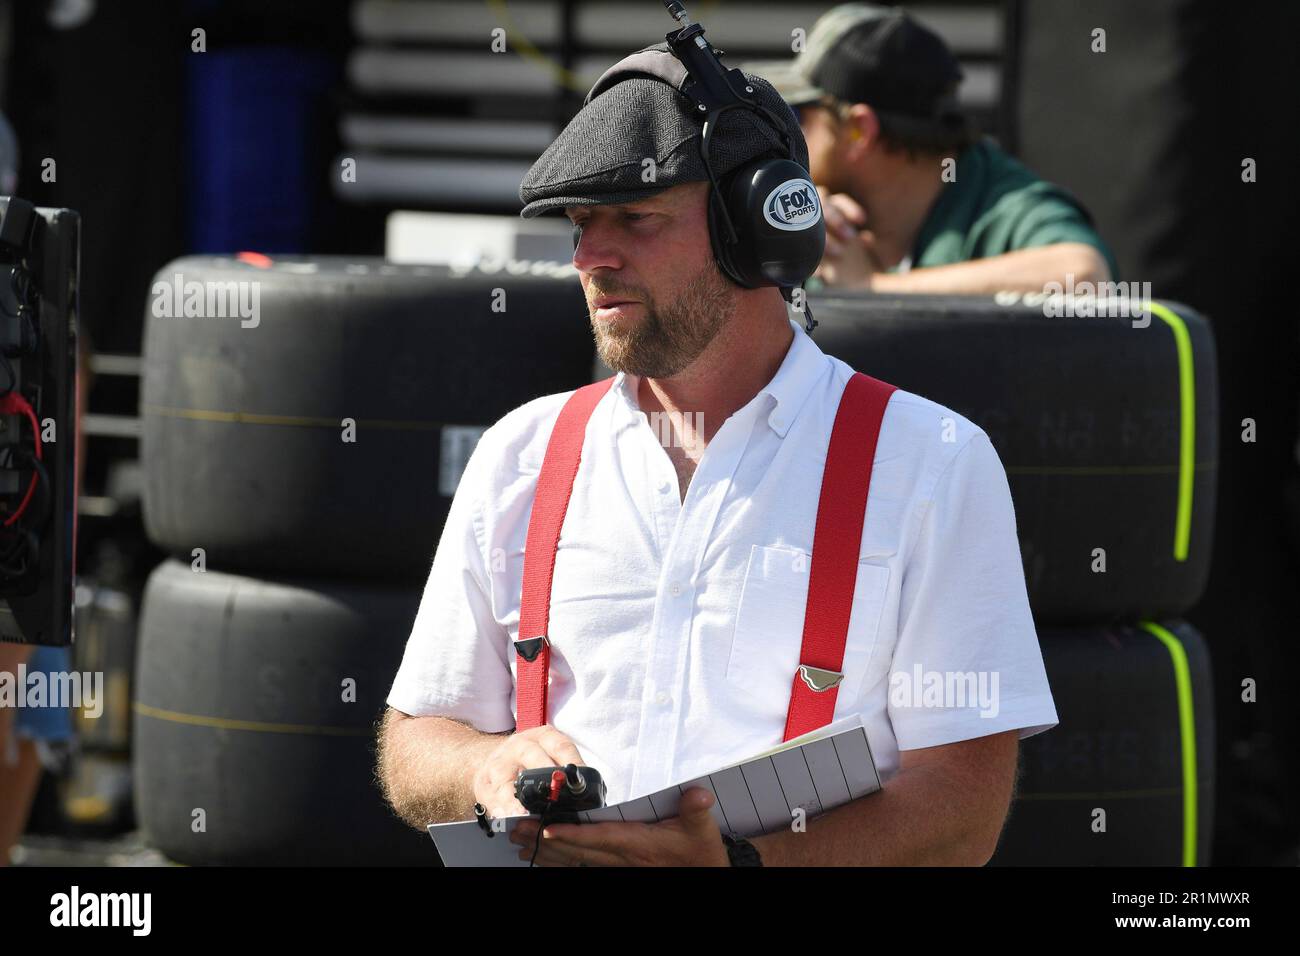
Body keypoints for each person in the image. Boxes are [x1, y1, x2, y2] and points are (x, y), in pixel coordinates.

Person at [377, 37, 1058, 866]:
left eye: (636, 217)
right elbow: (415, 740)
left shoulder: (935, 462)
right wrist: (486, 766)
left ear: (759, 230)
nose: (591, 258)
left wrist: (740, 865)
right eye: (582, 222)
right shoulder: (520, 452)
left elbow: (961, 809)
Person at [746, 3, 1120, 292]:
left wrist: (871, 290)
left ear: (860, 131)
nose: (784, 131)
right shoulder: (821, 213)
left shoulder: (1002, 206)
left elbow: (1084, 275)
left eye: (797, 114)